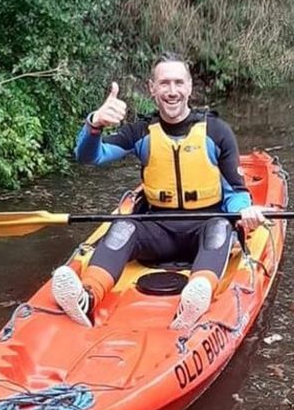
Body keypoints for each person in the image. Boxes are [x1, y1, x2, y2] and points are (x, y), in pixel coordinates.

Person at [51, 54, 269, 330]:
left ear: (190, 87)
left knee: (220, 227)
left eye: (179, 82)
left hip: (204, 230)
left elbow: (236, 190)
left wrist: (243, 211)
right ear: (152, 88)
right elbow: (88, 157)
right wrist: (94, 125)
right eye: (164, 83)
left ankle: (195, 298)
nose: (172, 91)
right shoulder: (140, 132)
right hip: (156, 230)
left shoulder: (217, 132)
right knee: (123, 226)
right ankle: (87, 297)